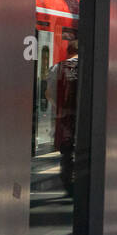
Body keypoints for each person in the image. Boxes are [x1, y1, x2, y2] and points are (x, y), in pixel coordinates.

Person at [47, 39, 79, 194]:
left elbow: (49, 94)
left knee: (66, 152)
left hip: (65, 118)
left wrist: (59, 107)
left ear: (68, 51)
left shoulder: (56, 68)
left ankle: (67, 182)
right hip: (84, 120)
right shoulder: (89, 67)